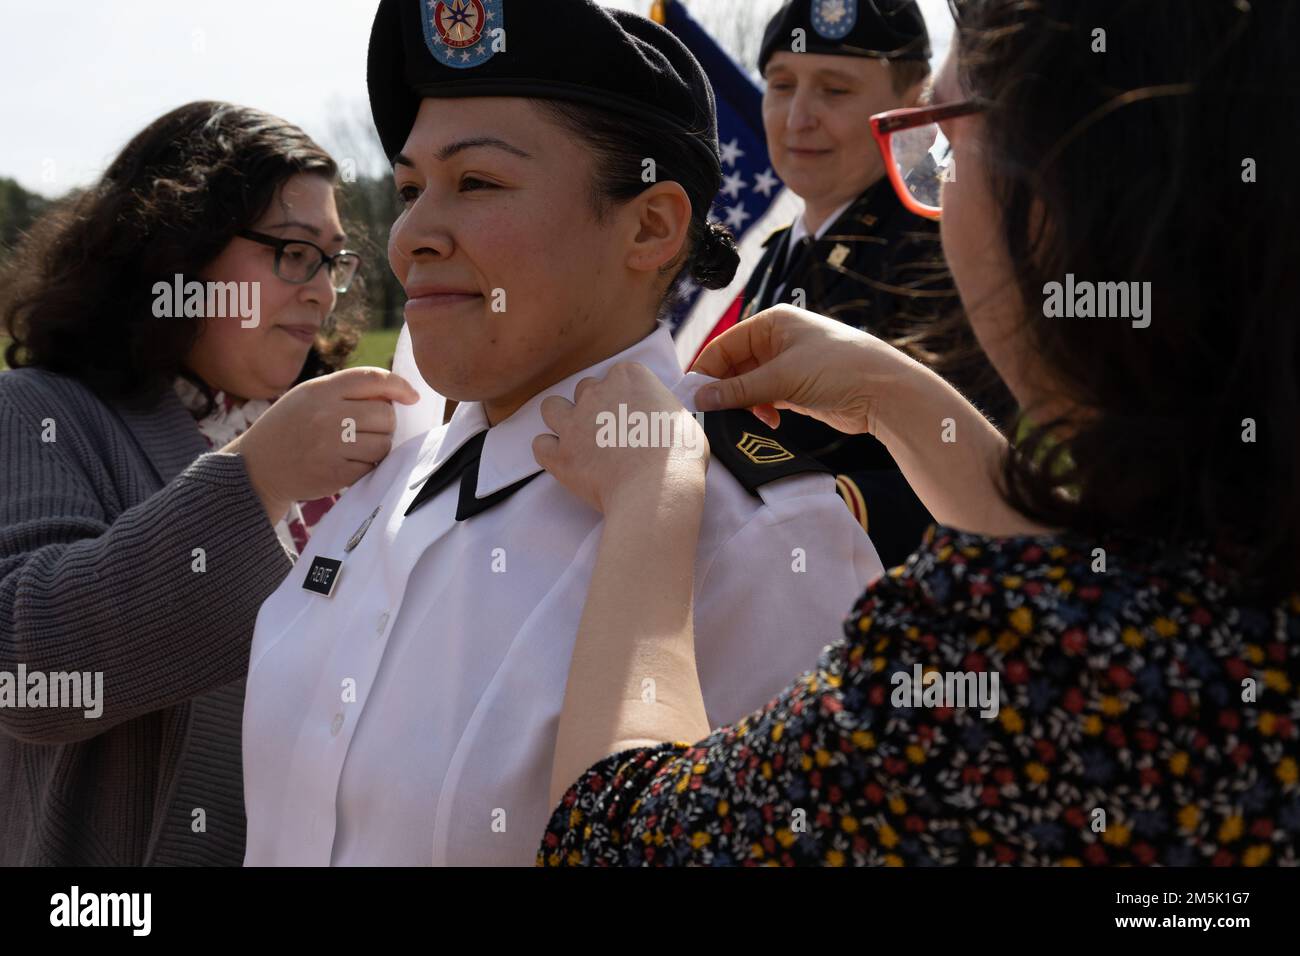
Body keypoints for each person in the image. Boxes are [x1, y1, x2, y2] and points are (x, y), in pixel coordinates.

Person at [536, 0, 1300, 866]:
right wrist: (900, 400)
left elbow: (617, 841)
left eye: (944, 143)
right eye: (780, 86)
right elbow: (1108, 559)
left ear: (1059, 189)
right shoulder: (1219, 537)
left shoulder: (1007, 657)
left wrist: (651, 497)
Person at [239, 0, 883, 867]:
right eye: (409, 189)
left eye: (477, 183)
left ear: (651, 226)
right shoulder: (386, 462)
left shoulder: (763, 536)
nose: (411, 238)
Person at [0, 101, 418, 866]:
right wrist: (256, 477)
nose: (323, 291)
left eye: (334, 259)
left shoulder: (358, 446)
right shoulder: (43, 410)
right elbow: (28, 670)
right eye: (294, 252)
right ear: (176, 254)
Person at [735, 0, 1013, 568]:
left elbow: (976, 468)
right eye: (781, 85)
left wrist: (792, 513)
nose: (797, 118)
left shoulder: (940, 254)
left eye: (834, 91)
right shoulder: (776, 257)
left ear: (915, 108)